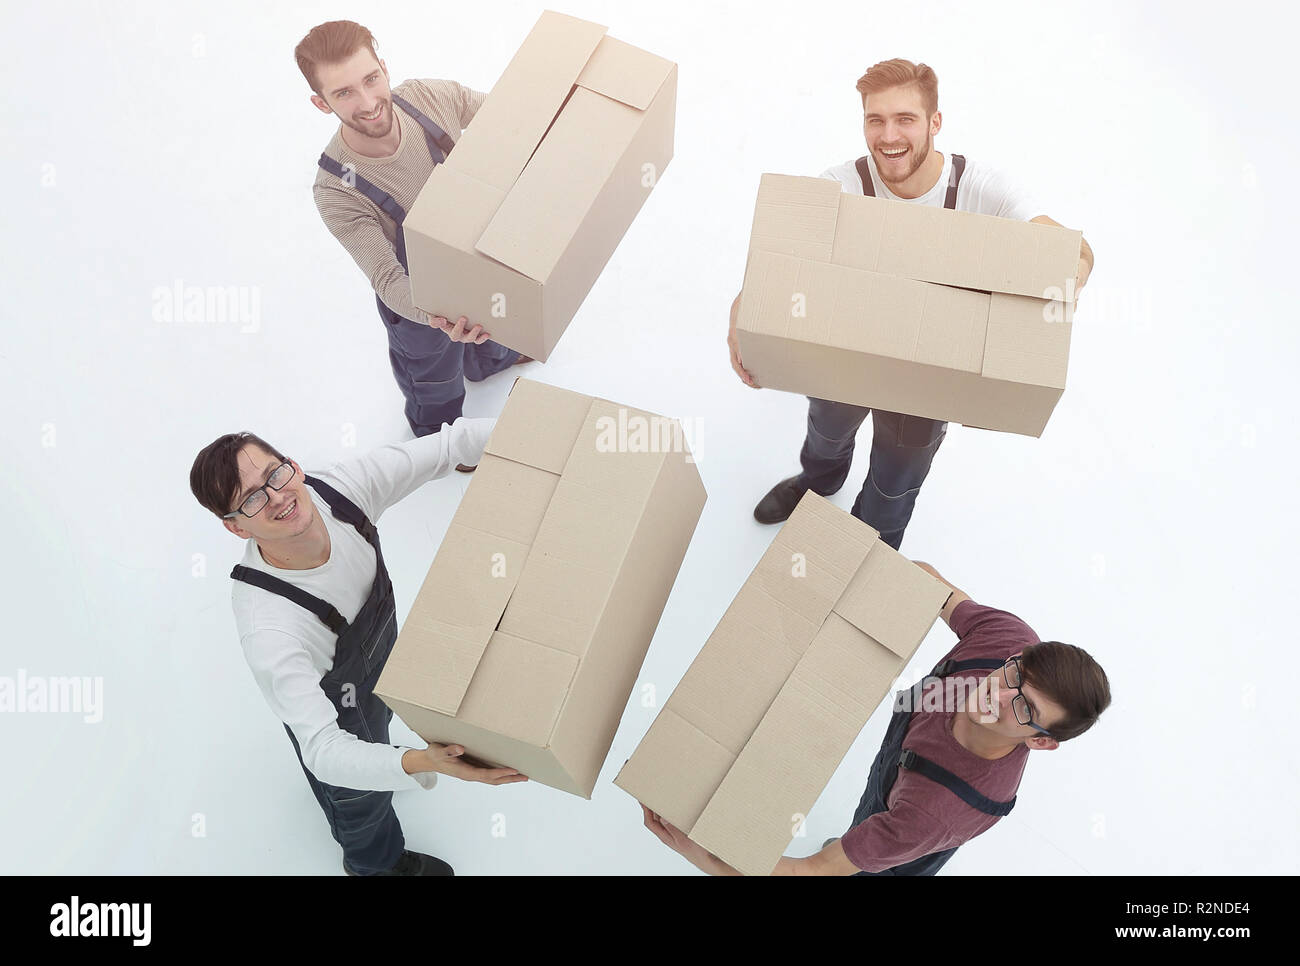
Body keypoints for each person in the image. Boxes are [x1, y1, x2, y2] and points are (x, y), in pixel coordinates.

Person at [729, 59, 1096, 549]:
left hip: (928, 374)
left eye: (906, 119)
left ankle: (860, 550)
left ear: (935, 123)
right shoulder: (842, 184)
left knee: (893, 485)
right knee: (825, 437)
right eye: (875, 120)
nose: (889, 135)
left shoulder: (979, 188)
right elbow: (781, 257)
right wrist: (741, 315)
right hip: (845, 353)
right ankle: (819, 484)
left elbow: (1074, 251)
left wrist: (1063, 273)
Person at [189, 418, 528, 875]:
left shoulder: (340, 492)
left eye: (274, 474)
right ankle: (378, 866)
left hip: (380, 668)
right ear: (235, 528)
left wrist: (540, 427)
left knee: (379, 724)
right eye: (250, 498)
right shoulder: (270, 625)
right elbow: (325, 749)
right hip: (335, 716)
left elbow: (451, 444)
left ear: (294, 467)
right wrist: (419, 762)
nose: (276, 497)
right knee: (358, 803)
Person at [641, 562, 1111, 875]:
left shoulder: (932, 813)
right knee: (867, 819)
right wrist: (853, 567)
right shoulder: (1005, 640)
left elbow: (808, 873)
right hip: (898, 772)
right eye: (1015, 673)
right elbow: (931, 585)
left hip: (905, 838)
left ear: (1042, 742)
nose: (999, 692)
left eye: (1025, 708)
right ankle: (858, 839)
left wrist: (699, 852)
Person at [297, 20, 530, 443]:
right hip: (418, 299)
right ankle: (438, 441)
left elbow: (509, 117)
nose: (368, 102)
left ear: (384, 68)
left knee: (494, 326)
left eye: (370, 79)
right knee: (432, 379)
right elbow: (388, 278)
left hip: (475, 251)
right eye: (344, 93)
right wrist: (438, 318)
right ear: (321, 102)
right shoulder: (336, 187)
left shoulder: (429, 97)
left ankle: (489, 365)